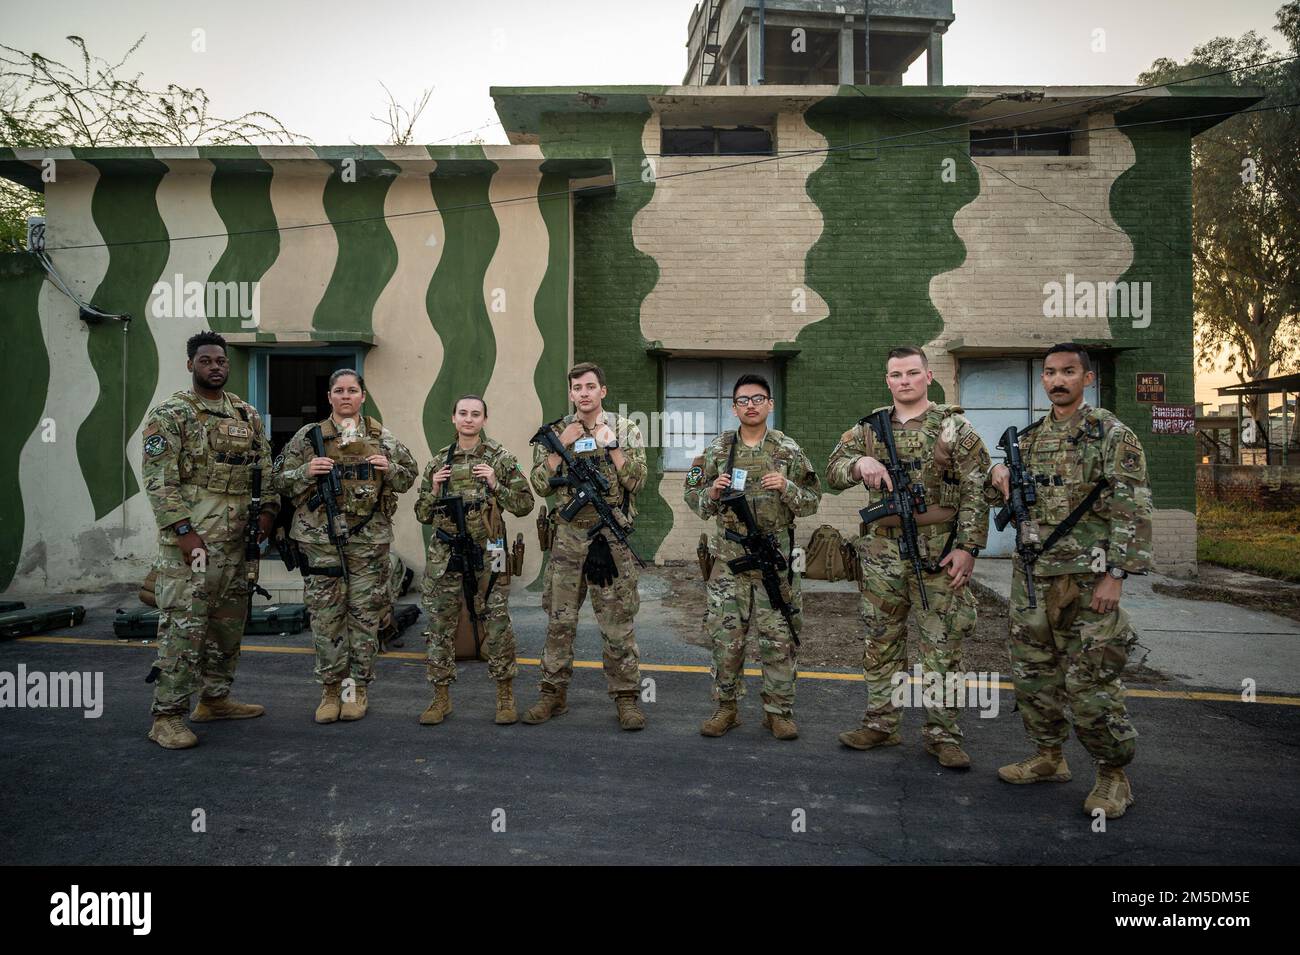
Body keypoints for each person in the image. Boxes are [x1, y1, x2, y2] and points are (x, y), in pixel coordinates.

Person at [988, 343, 1152, 818]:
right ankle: (1048, 756)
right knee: (1034, 674)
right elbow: (1005, 493)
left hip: (1088, 577)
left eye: (1068, 372)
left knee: (1092, 681)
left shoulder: (1111, 434)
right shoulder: (1031, 438)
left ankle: (1112, 774)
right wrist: (996, 472)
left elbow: (1132, 506)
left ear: (1088, 378)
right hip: (1034, 576)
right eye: (1050, 373)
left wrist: (1117, 575)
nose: (1058, 380)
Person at [826, 346, 991, 769]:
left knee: (940, 646)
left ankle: (943, 735)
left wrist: (968, 548)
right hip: (881, 552)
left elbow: (977, 489)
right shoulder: (868, 428)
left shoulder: (953, 426)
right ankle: (881, 723)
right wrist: (859, 462)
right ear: (887, 381)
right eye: (896, 375)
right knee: (881, 642)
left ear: (929, 376)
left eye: (912, 373)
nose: (904, 381)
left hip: (939, 551)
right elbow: (832, 468)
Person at [141, 330, 277, 749]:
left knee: (227, 626)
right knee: (184, 626)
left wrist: (269, 513)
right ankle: (166, 716)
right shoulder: (171, 414)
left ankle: (214, 699)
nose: (215, 366)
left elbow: (264, 468)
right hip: (194, 542)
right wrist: (183, 531)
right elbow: (159, 480)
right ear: (190, 365)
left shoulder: (246, 415)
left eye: (220, 360)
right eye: (206, 361)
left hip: (237, 542)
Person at [272, 369, 416, 723]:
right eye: (339, 390)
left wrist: (389, 466)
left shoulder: (380, 436)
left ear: (363, 396)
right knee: (326, 617)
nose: (346, 396)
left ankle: (356, 690)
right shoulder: (310, 437)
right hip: (320, 542)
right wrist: (306, 470)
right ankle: (330, 691)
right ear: (330, 397)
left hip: (368, 543)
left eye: (353, 390)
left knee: (364, 616)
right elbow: (279, 479)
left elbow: (410, 475)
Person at [683, 374, 821, 740]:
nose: (751, 405)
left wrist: (788, 487)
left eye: (758, 398)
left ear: (770, 404)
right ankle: (725, 708)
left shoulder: (788, 451)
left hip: (775, 562)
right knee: (726, 639)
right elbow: (693, 499)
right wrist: (711, 492)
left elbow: (812, 502)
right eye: (743, 400)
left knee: (778, 639)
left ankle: (778, 712)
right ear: (734, 407)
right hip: (729, 564)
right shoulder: (716, 451)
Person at [521, 362, 648, 731]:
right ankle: (552, 694)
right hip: (568, 538)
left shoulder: (626, 429)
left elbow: (637, 483)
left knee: (617, 622)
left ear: (602, 391)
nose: (584, 393)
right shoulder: (558, 431)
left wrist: (613, 447)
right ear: (572, 394)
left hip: (609, 539)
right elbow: (540, 483)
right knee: (560, 620)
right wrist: (565, 445)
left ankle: (626, 699)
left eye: (591, 386)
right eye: (577, 388)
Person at [414, 394, 535, 725]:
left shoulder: (500, 458)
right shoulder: (438, 463)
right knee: (440, 626)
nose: (468, 419)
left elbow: (525, 504)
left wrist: (496, 484)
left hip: (492, 551)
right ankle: (440, 698)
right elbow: (422, 514)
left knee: (497, 624)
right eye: (463, 413)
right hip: (446, 553)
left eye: (475, 414)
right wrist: (435, 491)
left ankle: (505, 696)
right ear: (454, 418)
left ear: (484, 419)